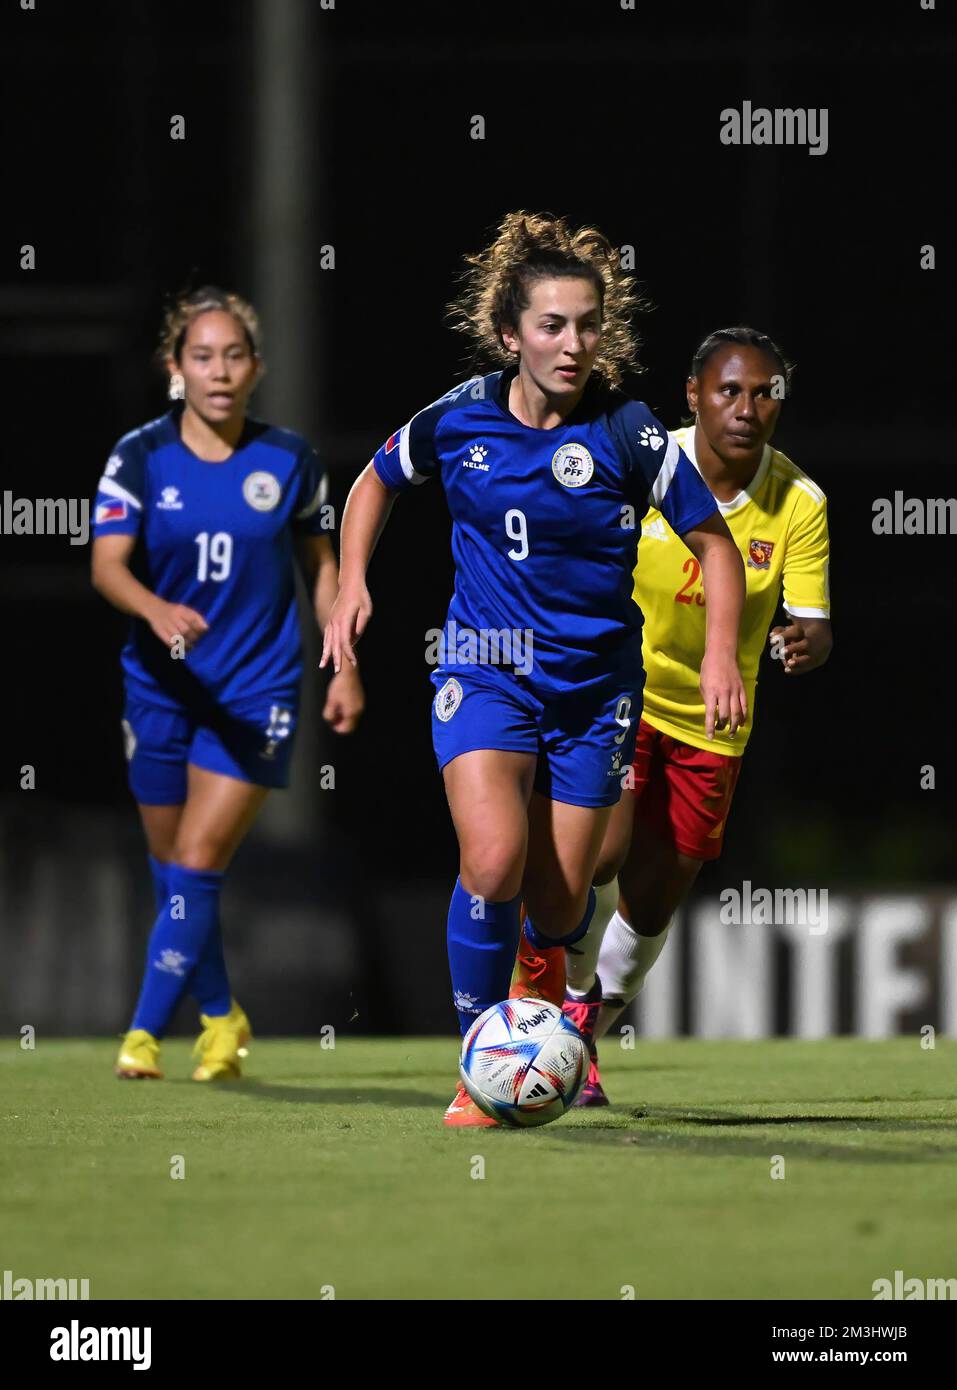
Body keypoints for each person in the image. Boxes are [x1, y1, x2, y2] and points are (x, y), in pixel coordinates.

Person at [323, 213, 746, 1126]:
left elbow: (713, 546)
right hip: (484, 669)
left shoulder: (630, 435)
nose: (573, 343)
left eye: (588, 324)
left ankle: (544, 1007)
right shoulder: (459, 416)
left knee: (561, 900)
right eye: (552, 326)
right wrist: (351, 581)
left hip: (594, 691)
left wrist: (719, 655)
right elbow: (371, 483)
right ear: (510, 334)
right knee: (494, 858)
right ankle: (482, 1061)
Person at [529, 326, 832, 1103]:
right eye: (729, 390)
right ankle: (534, 1012)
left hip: (713, 721)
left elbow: (815, 624)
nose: (747, 407)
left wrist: (805, 644)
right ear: (692, 396)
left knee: (654, 897)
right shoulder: (639, 458)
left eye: (764, 392)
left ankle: (581, 1034)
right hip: (617, 692)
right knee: (600, 853)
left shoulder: (797, 501)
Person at [91, 286, 363, 1081]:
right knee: (172, 863)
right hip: (160, 687)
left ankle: (142, 1034)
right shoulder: (138, 456)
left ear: (257, 367)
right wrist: (156, 608)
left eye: (233, 355)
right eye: (201, 356)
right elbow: (107, 566)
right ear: (175, 368)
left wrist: (343, 666)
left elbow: (323, 569)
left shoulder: (289, 458)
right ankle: (220, 1016)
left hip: (256, 691)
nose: (218, 371)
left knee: (200, 857)